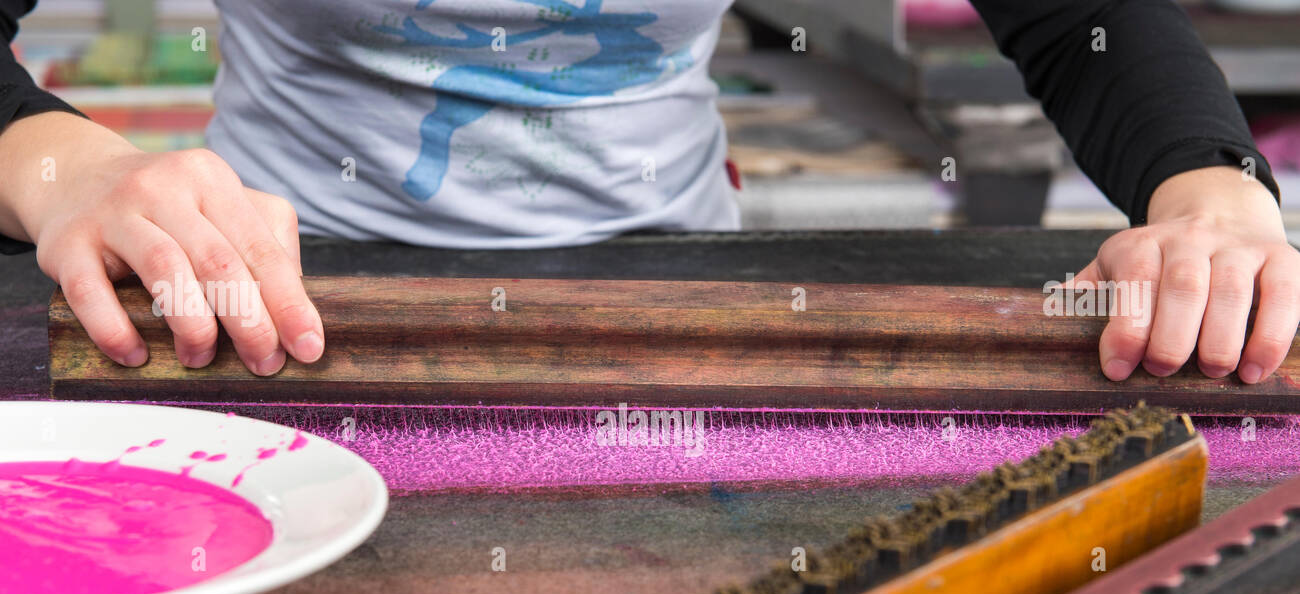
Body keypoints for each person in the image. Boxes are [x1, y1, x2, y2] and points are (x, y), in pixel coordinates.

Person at [0, 0, 1295, 384]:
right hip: (262, 303)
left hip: (677, 310)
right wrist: (76, 171)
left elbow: (1084, 20)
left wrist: (1213, 202)